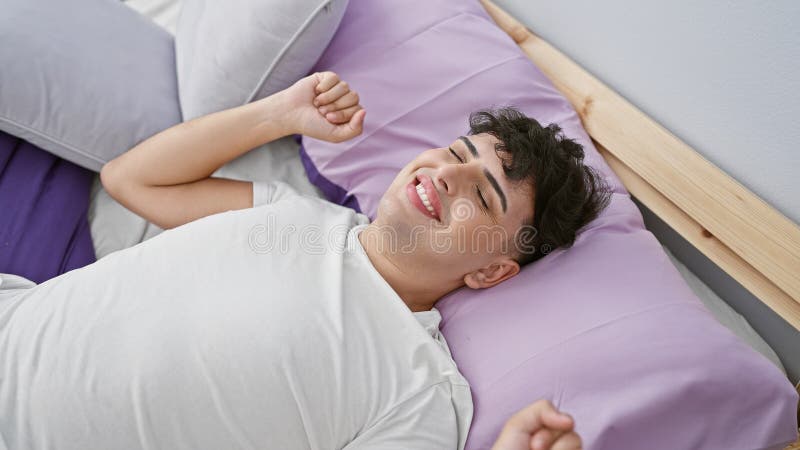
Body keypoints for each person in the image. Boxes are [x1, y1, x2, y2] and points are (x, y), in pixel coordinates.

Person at [0, 72, 603, 449]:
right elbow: (131, 180)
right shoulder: (295, 220)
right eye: (455, 153)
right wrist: (278, 115)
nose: (447, 175)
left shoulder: (420, 388)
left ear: (491, 270)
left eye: (481, 194)